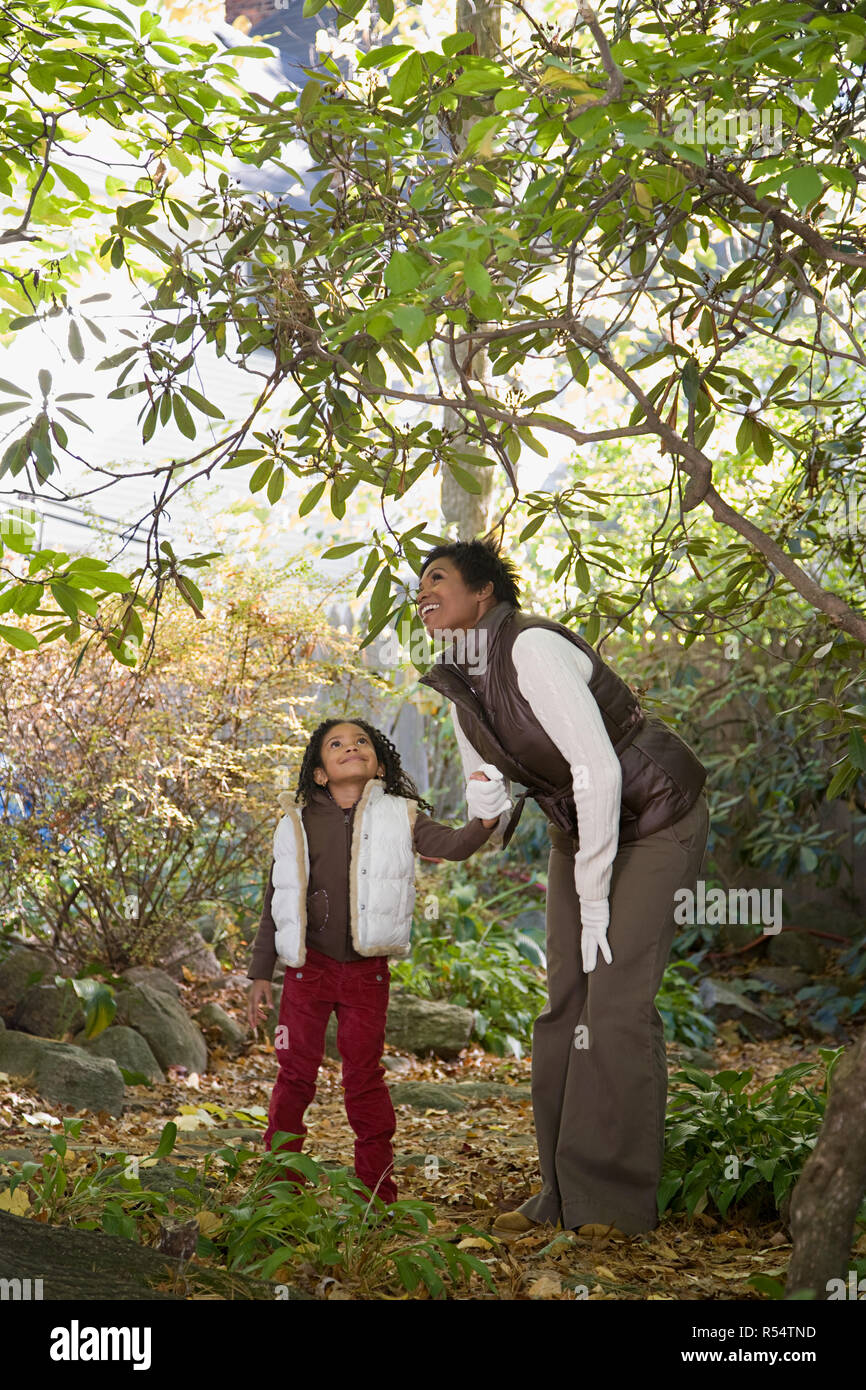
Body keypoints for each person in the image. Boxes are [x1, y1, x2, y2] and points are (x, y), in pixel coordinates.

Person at [413, 538, 710, 1238]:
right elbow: (486, 805)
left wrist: (597, 897)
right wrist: (416, 835)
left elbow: (600, 772)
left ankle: (611, 1208)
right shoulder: (462, 685)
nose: (422, 590)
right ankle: (560, 1192)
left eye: (438, 578)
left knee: (611, 1005)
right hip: (583, 834)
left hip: (657, 818)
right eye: (418, 583)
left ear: (484, 593)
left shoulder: (530, 651)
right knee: (563, 1008)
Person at [247, 717, 511, 1205]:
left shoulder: (401, 815)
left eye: (362, 742)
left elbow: (453, 846)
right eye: (337, 744)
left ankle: (376, 1190)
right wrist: (261, 972)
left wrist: (486, 820)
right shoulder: (296, 822)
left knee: (364, 1076)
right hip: (307, 970)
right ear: (320, 772)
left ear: (380, 763)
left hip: (367, 972)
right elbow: (276, 898)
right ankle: (279, 1182)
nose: (352, 747)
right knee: (295, 1075)